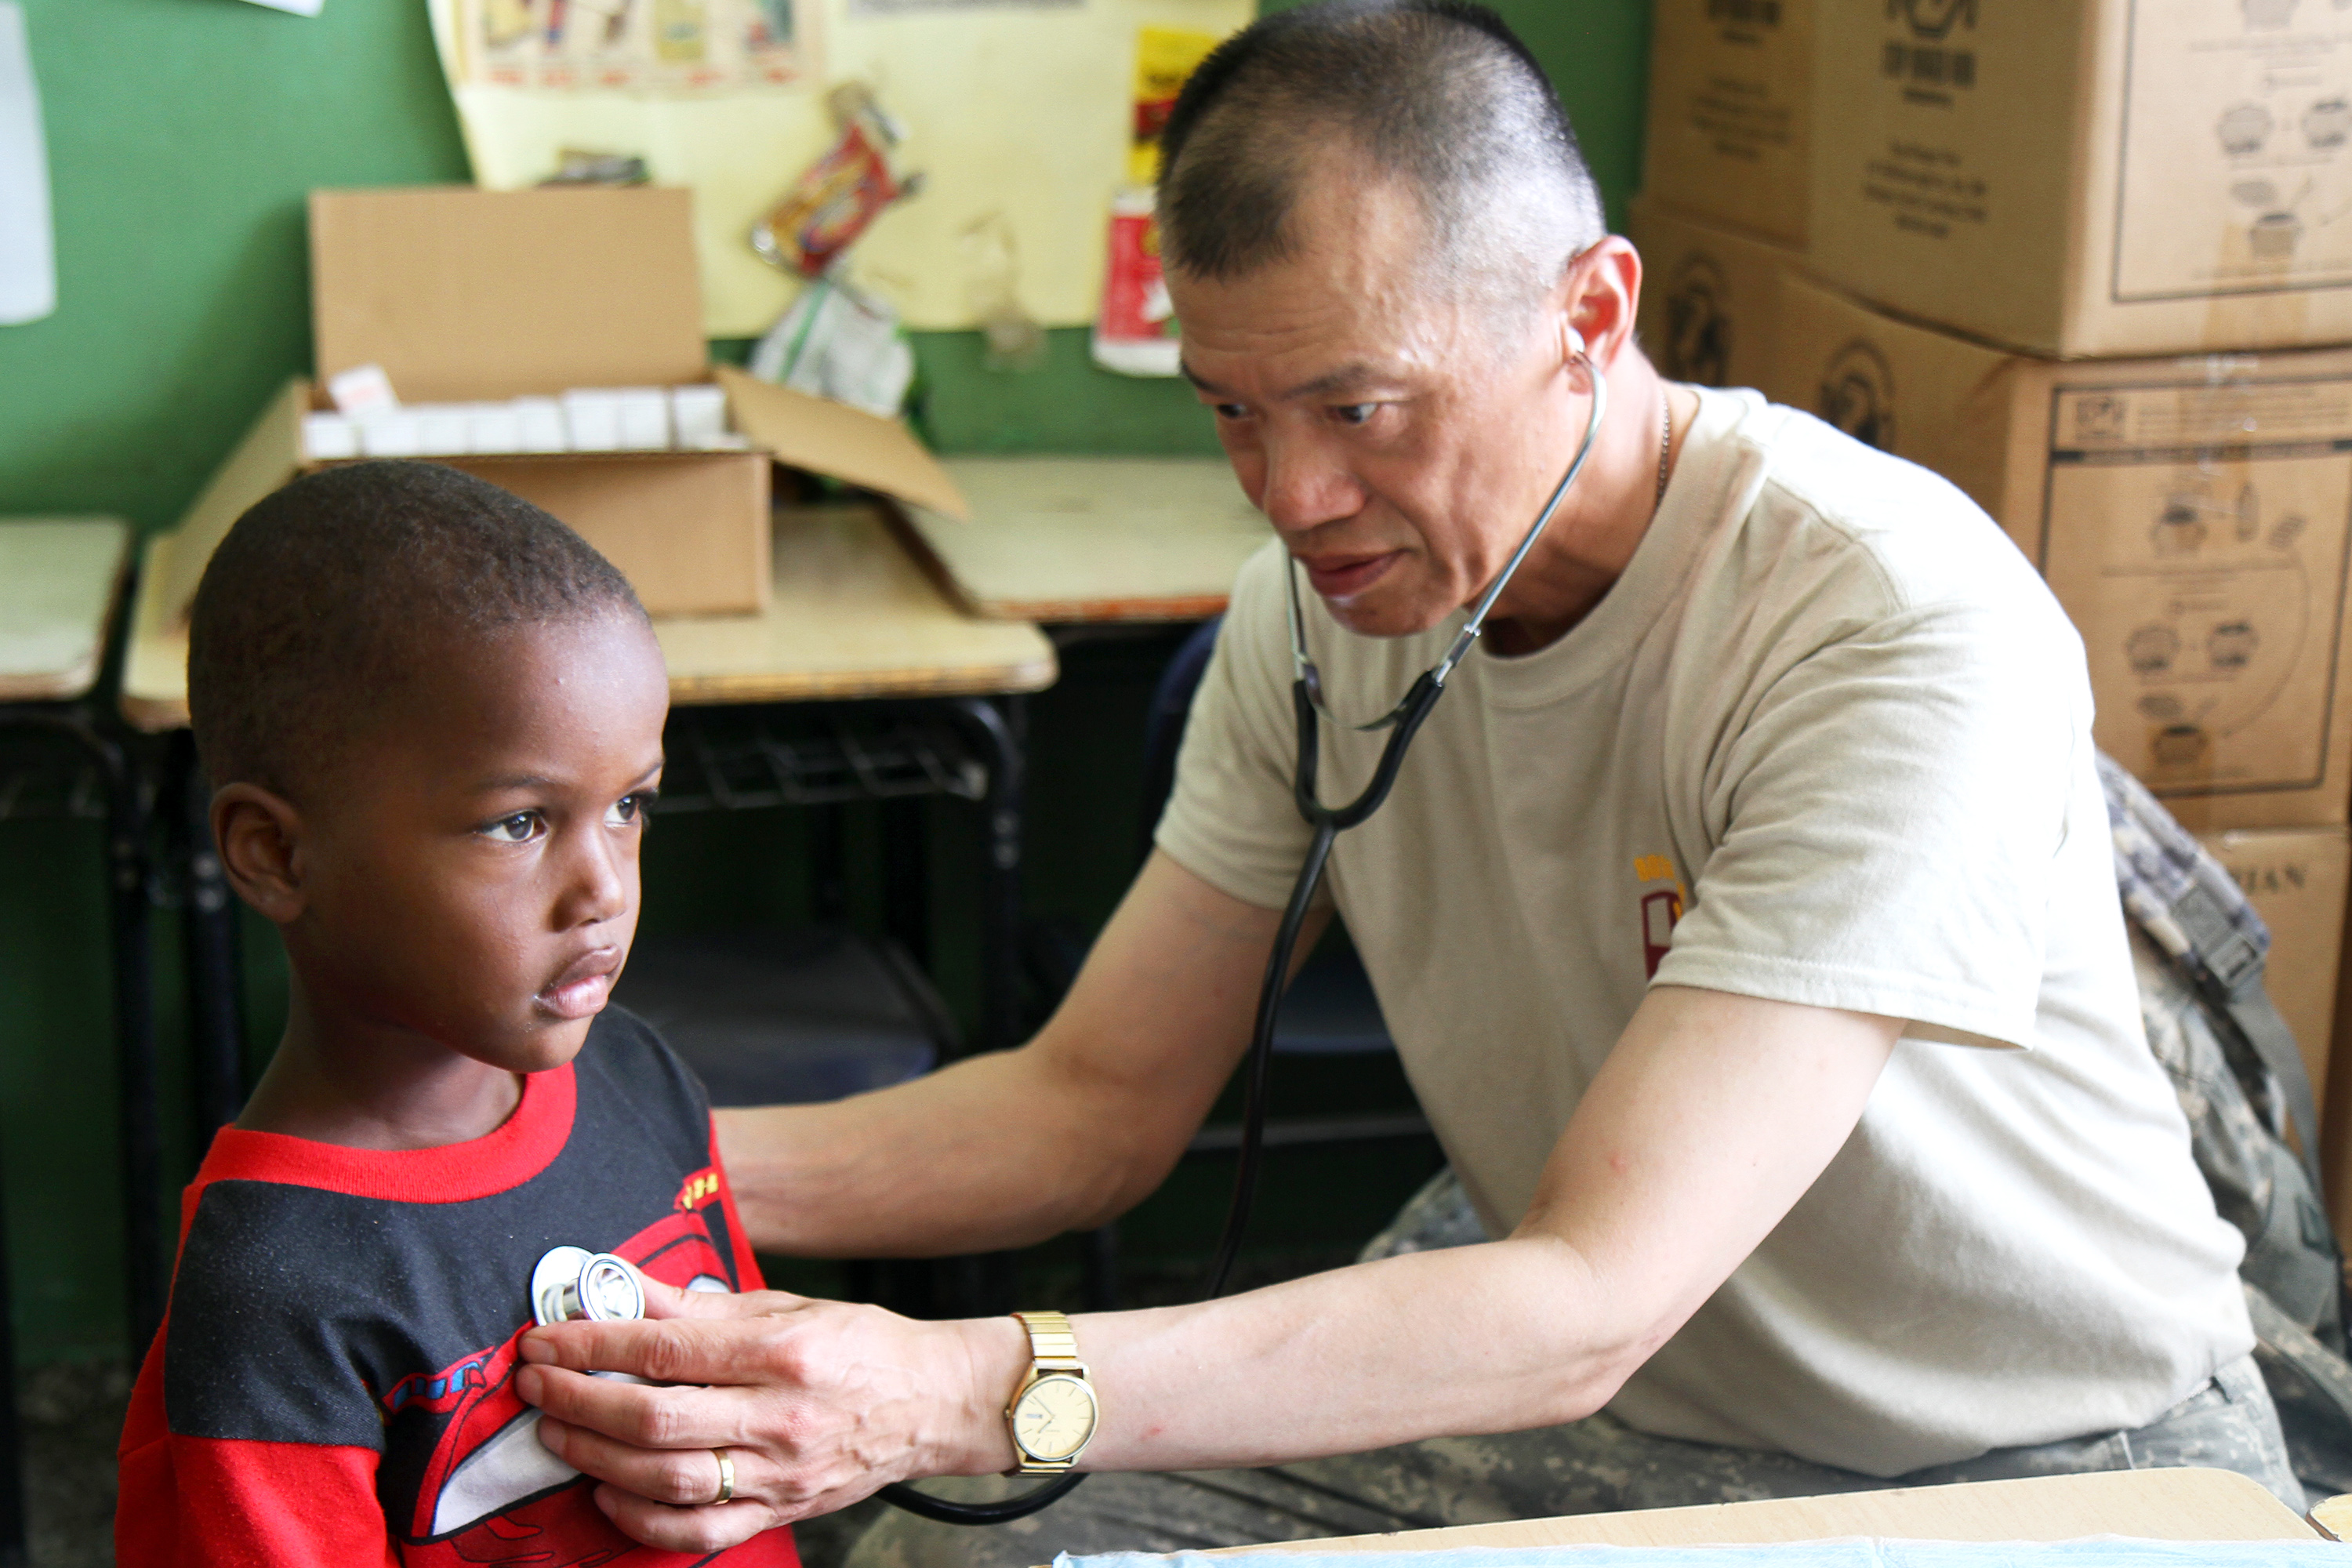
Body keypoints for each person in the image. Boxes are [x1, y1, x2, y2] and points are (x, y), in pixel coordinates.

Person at [505, 2, 2294, 1560]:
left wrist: (957, 1382)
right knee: (964, 1552)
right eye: (1232, 411)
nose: (1287, 498)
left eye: (1360, 409)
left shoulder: (1882, 620)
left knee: (966, 1459)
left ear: (1590, 313)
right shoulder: (1320, 614)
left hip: (2023, 1453)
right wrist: (593, 1169)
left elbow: (1588, 1294)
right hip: (1638, 1401)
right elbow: (1092, 1106)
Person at [114, 462, 798, 1568]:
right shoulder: (277, 1289)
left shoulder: (637, 1078)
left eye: (629, 806)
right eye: (519, 824)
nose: (605, 891)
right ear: (276, 853)